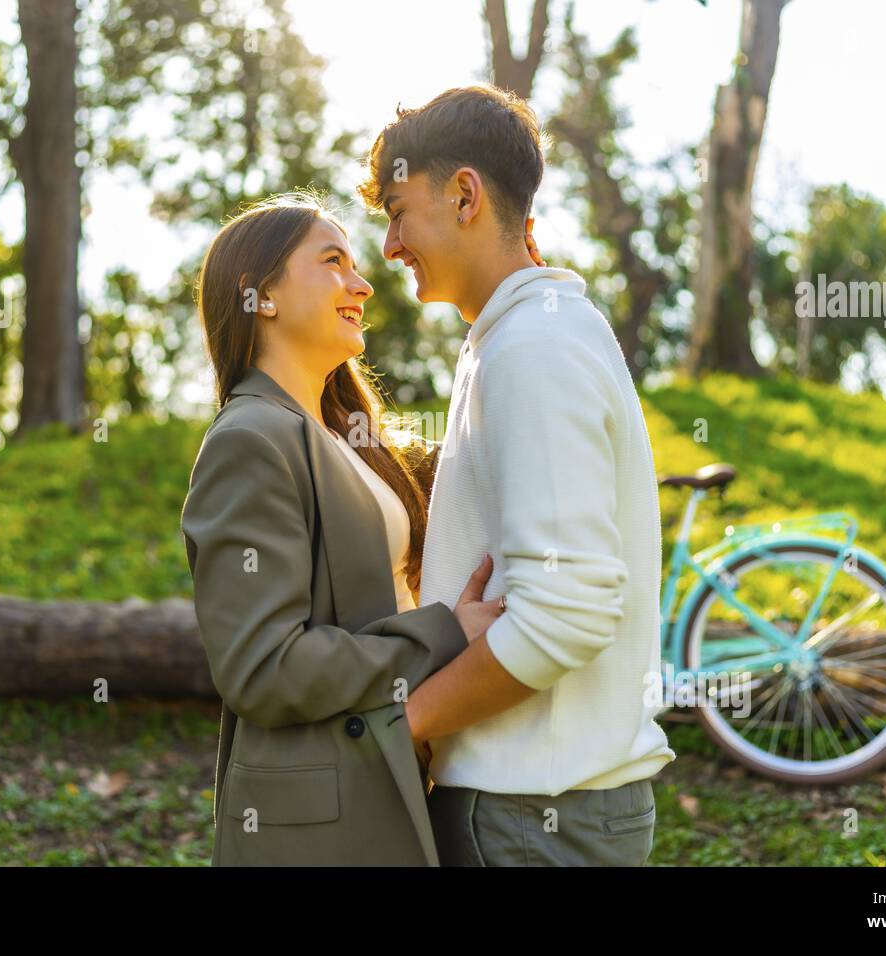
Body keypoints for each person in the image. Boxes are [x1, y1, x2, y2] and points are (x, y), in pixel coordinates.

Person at [356, 84, 677, 866]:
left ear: (464, 194)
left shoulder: (534, 346)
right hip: (530, 809)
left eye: (399, 210)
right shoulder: (519, 338)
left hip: (532, 820)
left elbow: (565, 609)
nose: (391, 245)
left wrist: (404, 724)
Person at [179, 192, 503, 866]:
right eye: (333, 262)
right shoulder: (249, 440)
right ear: (259, 295)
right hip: (315, 827)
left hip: (387, 781)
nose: (362, 284)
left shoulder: (343, 436)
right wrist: (444, 635)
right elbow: (265, 668)